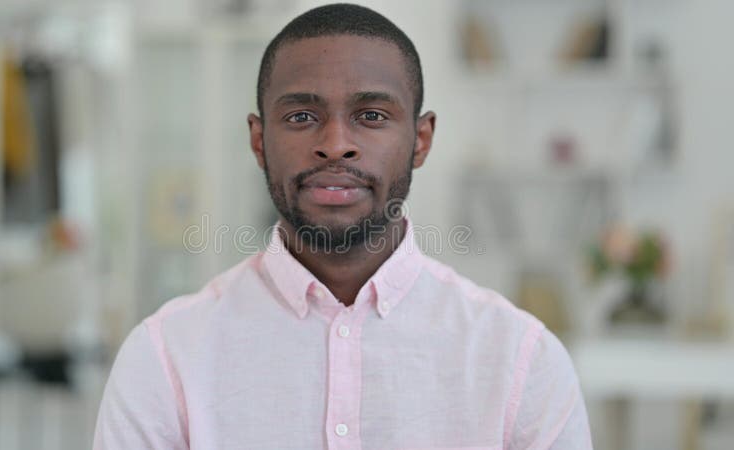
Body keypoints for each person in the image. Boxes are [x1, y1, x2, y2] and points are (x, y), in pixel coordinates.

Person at [93, 4, 592, 449]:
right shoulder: (165, 357)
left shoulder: (521, 361)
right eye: (302, 115)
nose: (335, 144)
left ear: (420, 140)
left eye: (371, 115)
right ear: (259, 140)